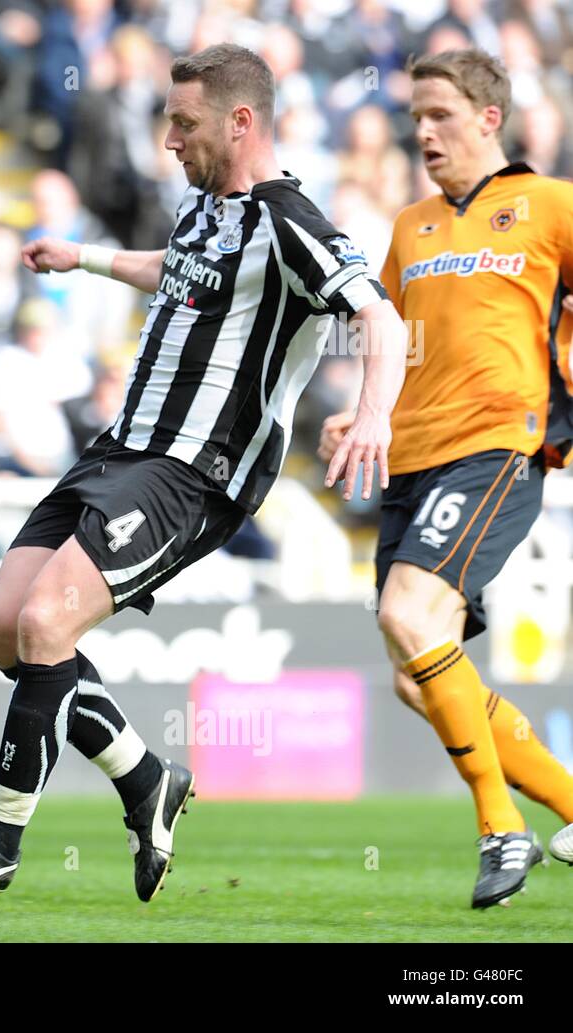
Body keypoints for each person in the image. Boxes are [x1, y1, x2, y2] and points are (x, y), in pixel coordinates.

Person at [0, 43, 407, 903]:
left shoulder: (291, 220)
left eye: (185, 122)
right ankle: (146, 781)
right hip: (120, 447)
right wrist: (86, 258)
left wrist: (373, 414)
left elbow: (382, 317)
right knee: (3, 627)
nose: (168, 140)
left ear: (240, 121)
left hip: (196, 469)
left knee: (46, 618)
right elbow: (175, 274)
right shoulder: (203, 205)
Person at [317, 48, 573, 909]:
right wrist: (364, 410)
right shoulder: (411, 226)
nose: (423, 132)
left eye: (440, 116)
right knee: (411, 667)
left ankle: (502, 826)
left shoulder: (550, 205)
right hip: (411, 458)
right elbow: (386, 339)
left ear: (489, 119)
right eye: (415, 117)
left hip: (498, 444)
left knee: (406, 614)